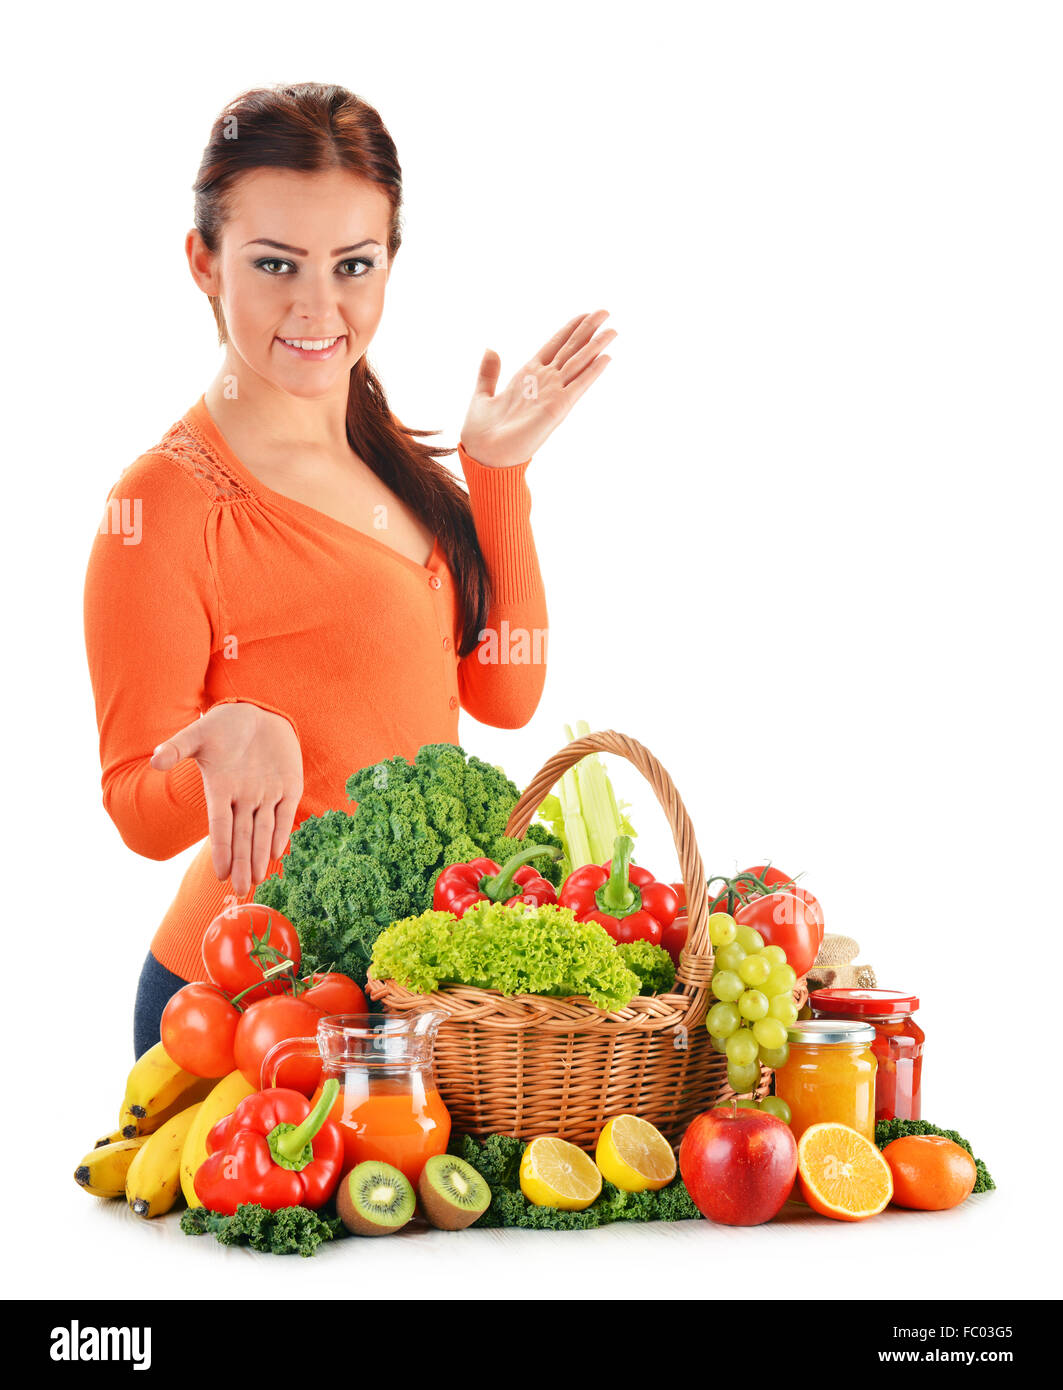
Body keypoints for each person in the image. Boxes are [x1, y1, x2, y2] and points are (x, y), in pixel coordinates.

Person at [82, 82, 615, 1058]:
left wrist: (497, 475)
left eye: (353, 264)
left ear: (389, 265)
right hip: (244, 998)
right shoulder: (161, 508)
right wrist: (223, 746)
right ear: (203, 263)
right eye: (275, 264)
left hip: (408, 987)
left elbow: (503, 693)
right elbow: (135, 810)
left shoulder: (385, 463)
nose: (317, 307)